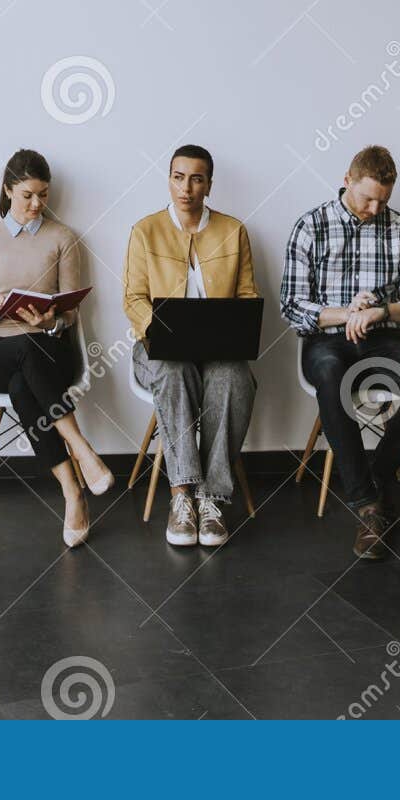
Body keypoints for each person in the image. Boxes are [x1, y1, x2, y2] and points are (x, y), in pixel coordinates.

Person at [281, 145, 400, 561]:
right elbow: (292, 307)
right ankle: (368, 506)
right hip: (327, 341)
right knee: (332, 377)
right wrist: (343, 314)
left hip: (383, 338)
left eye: (383, 200)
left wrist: (379, 312)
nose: (374, 208)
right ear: (347, 180)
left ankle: (374, 474)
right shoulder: (310, 226)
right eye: (367, 197)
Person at [0, 149, 114, 548]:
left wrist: (51, 322)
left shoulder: (63, 237)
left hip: (49, 348)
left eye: (43, 195)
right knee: (19, 361)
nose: (37, 204)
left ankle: (71, 491)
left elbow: (71, 309)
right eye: (28, 195)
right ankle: (82, 450)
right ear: (9, 189)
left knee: (22, 382)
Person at [123, 145, 259, 549]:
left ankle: (211, 498)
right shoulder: (145, 230)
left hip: (217, 350)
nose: (187, 188)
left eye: (196, 178)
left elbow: (248, 297)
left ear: (209, 185)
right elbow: (133, 299)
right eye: (179, 177)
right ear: (169, 179)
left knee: (234, 375)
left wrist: (233, 333)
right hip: (159, 351)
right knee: (173, 368)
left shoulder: (233, 231)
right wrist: (163, 333)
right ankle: (182, 494)